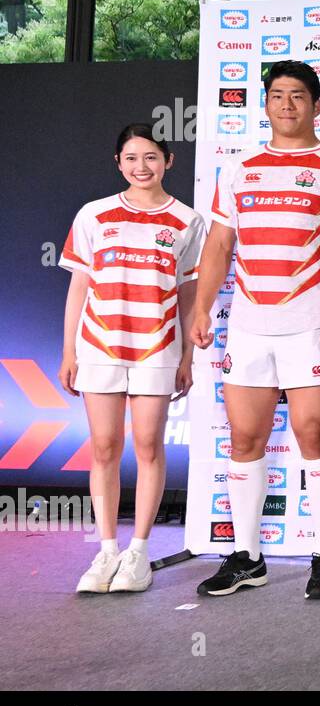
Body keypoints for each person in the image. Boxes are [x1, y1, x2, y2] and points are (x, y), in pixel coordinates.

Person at [191, 60, 320, 599]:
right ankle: (247, 557)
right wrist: (202, 308)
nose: (287, 104)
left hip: (309, 325)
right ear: (265, 104)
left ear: (318, 105)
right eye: (277, 95)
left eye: (298, 96)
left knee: (313, 435)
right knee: (244, 438)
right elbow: (220, 245)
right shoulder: (240, 166)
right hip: (247, 326)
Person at [59, 124, 205, 593]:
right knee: (103, 447)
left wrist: (186, 355)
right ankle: (105, 552)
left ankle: (138, 553)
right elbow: (79, 285)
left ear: (168, 161)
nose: (141, 167)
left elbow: (188, 293)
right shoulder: (94, 215)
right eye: (131, 159)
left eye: (151, 157)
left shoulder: (188, 220)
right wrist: (69, 352)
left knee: (147, 446)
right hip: (99, 344)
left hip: (157, 348)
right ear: (118, 163)